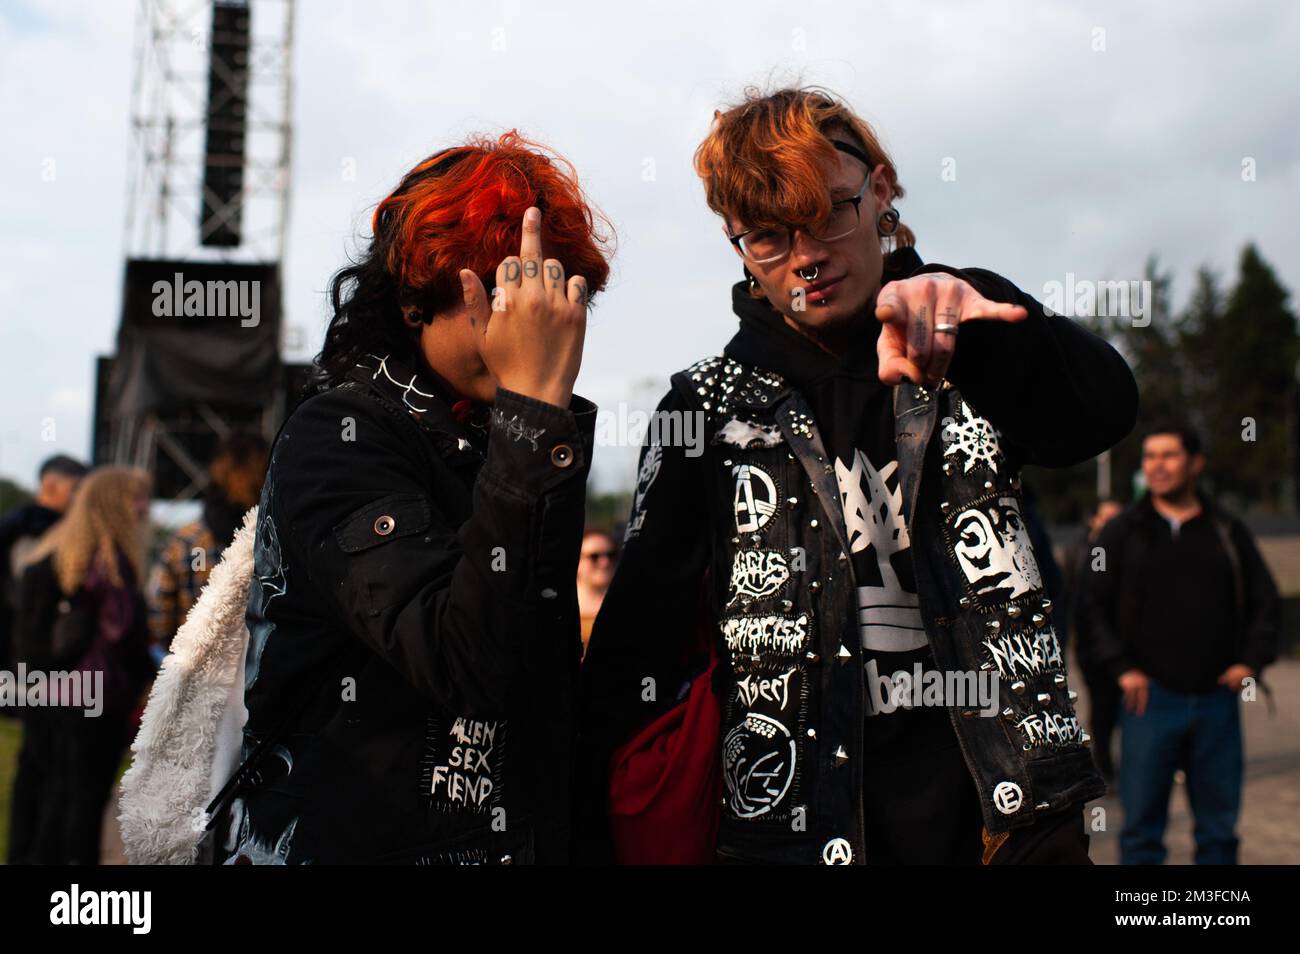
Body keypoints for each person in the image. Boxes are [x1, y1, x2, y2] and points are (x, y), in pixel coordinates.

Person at [579, 86, 1138, 865]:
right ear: (736, 244)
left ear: (880, 190)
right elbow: (632, 649)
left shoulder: (964, 325)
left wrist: (981, 324)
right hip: (794, 830)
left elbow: (1102, 414)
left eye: (828, 215)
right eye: (768, 237)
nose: (805, 255)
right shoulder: (703, 407)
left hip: (1010, 820)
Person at [219, 132, 611, 864]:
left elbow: (544, 682)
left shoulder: (515, 432)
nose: (529, 319)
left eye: (549, 290)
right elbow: (466, 662)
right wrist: (533, 417)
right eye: (500, 291)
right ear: (414, 297)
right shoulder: (339, 433)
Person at [1081, 424, 1280, 864]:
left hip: (1217, 703)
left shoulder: (1227, 530)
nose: (1157, 466)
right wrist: (1121, 669)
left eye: (1169, 456)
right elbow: (1092, 607)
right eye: (1150, 457)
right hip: (1148, 703)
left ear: (1195, 463)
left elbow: (1267, 603)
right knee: (1140, 836)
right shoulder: (1122, 533)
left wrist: (1250, 662)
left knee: (1218, 833)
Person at [11, 466, 153, 865]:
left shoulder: (61, 556)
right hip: (91, 700)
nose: (145, 508)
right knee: (78, 804)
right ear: (116, 502)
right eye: (137, 497)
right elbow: (125, 637)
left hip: (59, 697)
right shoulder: (108, 566)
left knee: (54, 797)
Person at [146, 432, 269, 660]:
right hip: (261, 677)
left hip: (197, 673)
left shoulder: (187, 541)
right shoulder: (276, 542)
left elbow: (158, 618)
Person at [0, 454, 87, 674]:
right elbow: (26, 590)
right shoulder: (31, 527)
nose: (80, 497)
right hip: (23, 648)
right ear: (50, 485)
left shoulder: (26, 523)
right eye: (75, 488)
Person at [1065, 496, 1123, 782]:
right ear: (1094, 520)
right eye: (1107, 518)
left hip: (1126, 647)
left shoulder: (1129, 550)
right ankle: (1105, 765)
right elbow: (1069, 598)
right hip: (1091, 647)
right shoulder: (1077, 552)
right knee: (1102, 708)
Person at [577, 527, 619, 655]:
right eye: (594, 557)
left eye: (611, 555)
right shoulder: (557, 606)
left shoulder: (626, 605)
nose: (605, 562)